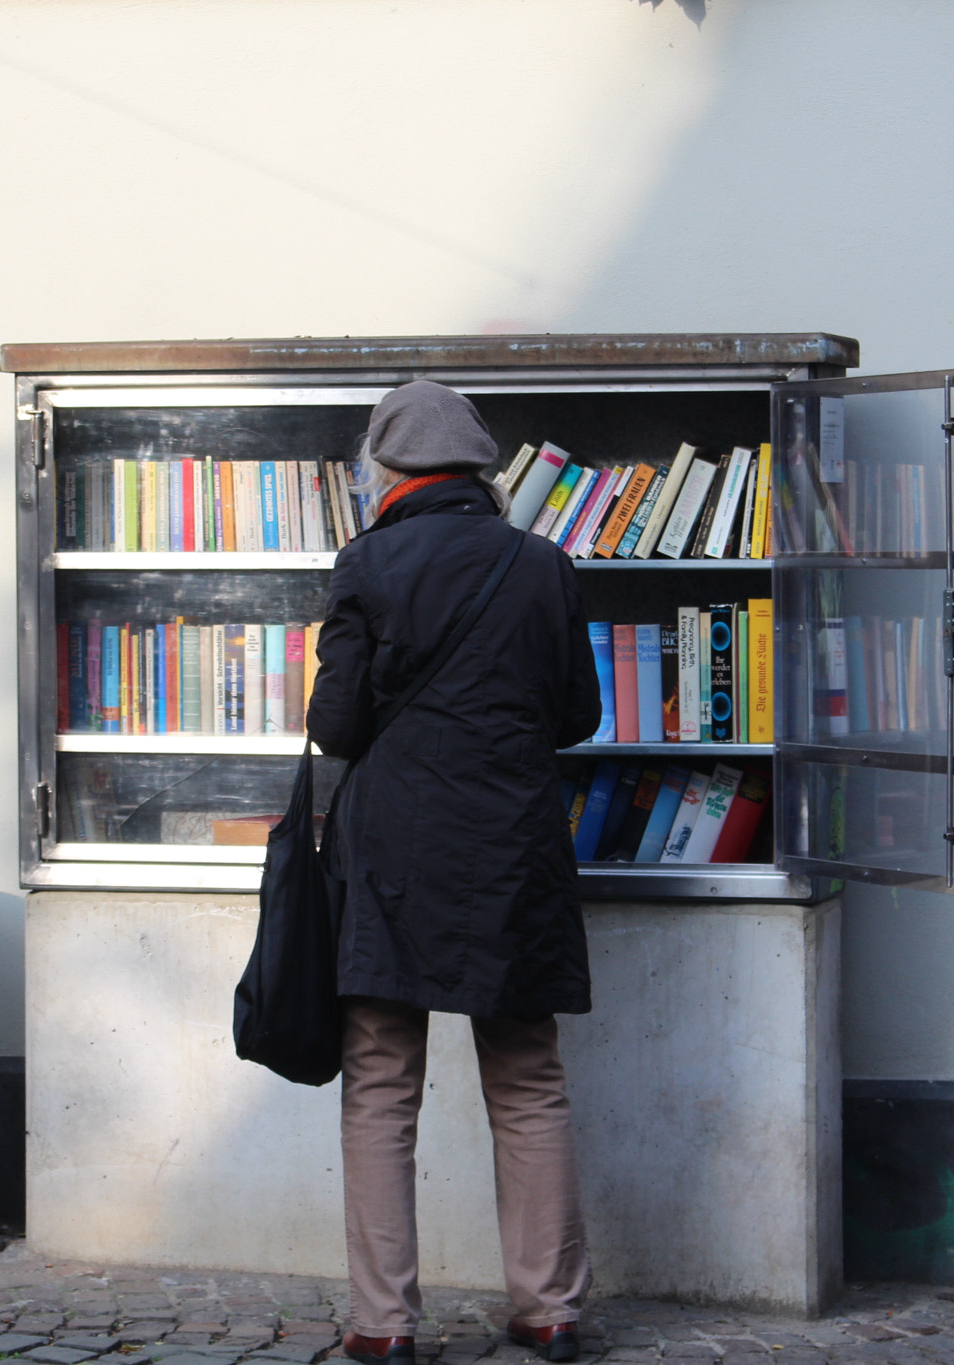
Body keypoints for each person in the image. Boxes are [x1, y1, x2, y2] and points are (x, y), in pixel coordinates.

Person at [306, 381, 603, 1365]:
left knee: (381, 1081)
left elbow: (335, 726)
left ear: (385, 469)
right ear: (481, 470)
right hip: (512, 847)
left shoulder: (368, 563)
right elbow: (577, 716)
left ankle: (383, 1324)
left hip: (394, 849)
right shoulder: (542, 564)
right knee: (527, 1076)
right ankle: (549, 1308)